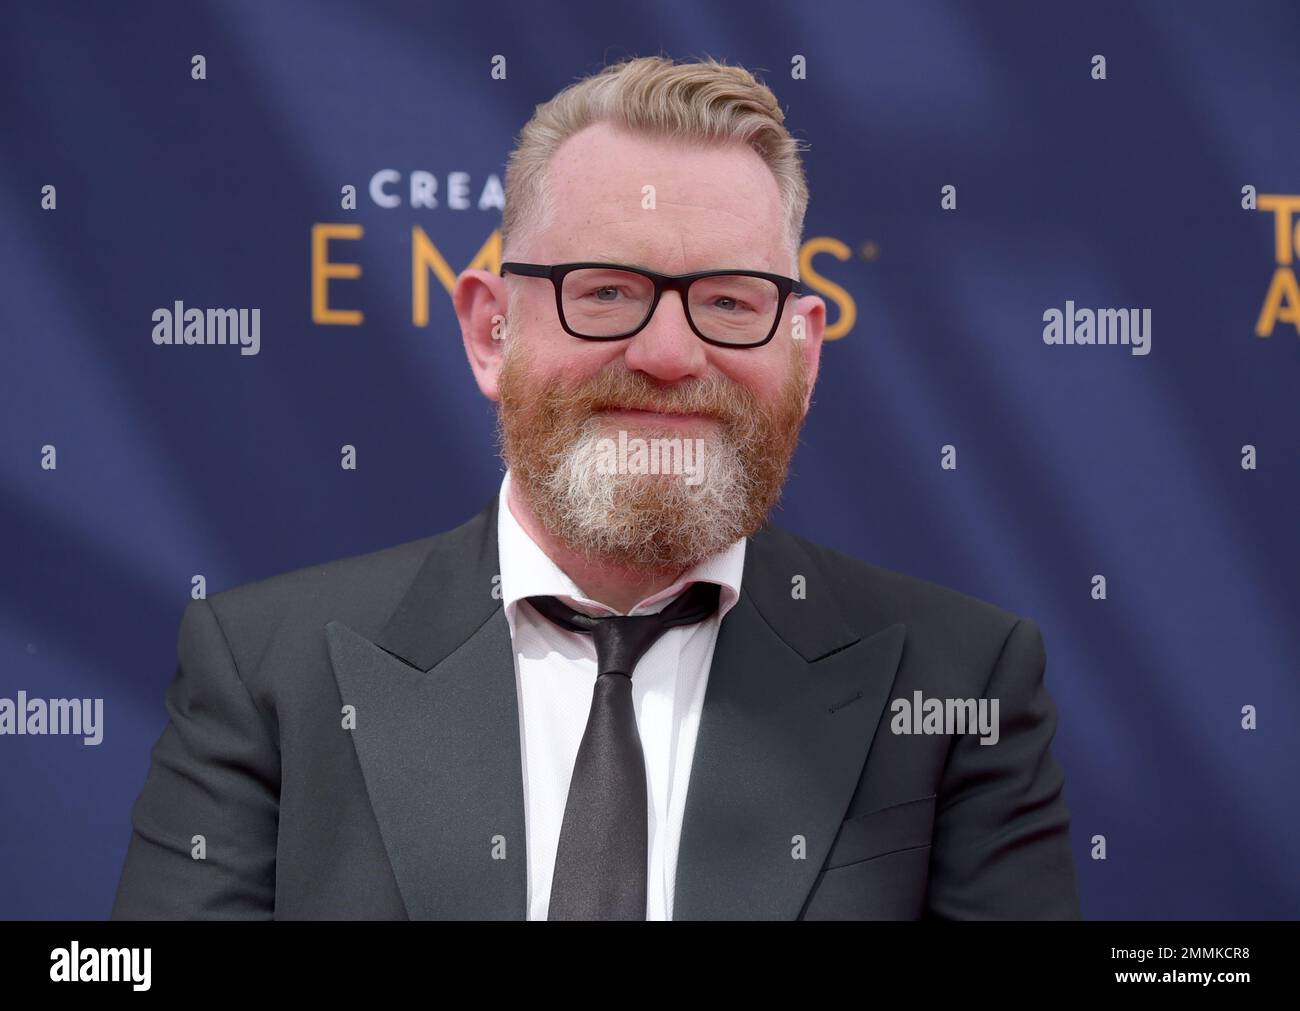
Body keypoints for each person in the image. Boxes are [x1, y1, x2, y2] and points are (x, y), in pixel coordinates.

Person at [111, 55, 1080, 920]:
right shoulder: (265, 672)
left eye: (730, 301)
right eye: (606, 290)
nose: (667, 354)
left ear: (803, 350)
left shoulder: (960, 685)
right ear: (491, 329)